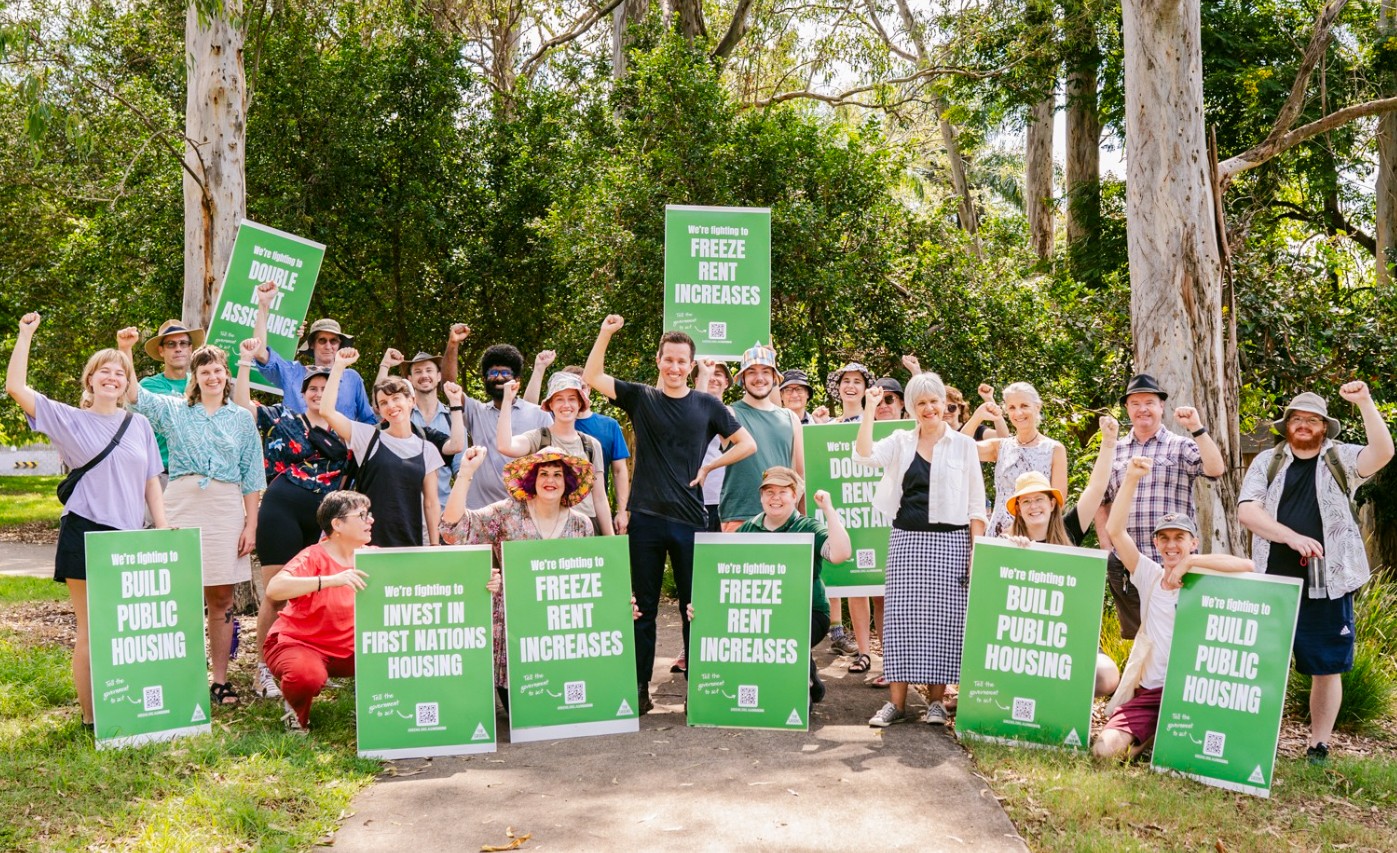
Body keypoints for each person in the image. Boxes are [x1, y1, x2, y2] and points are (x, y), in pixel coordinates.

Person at [583, 315, 754, 713]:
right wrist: (606, 332)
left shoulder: (708, 404)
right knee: (641, 605)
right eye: (669, 360)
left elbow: (747, 445)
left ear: (691, 365)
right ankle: (639, 686)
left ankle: (702, 686)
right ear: (658, 360)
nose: (675, 367)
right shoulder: (642, 397)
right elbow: (592, 375)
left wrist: (711, 466)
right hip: (645, 517)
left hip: (691, 519)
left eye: (682, 361)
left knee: (695, 606)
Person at [6, 312, 166, 730]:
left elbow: (151, 480)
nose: (112, 377)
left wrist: (162, 528)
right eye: (104, 371)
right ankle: (94, 719)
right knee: (92, 630)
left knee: (128, 631)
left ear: (127, 383)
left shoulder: (140, 424)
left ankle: (130, 709)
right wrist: (25, 335)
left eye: (120, 372)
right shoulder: (69, 418)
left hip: (130, 537)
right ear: (90, 379)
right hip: (86, 530)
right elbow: (16, 387)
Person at [1238, 384, 1394, 762]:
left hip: (1330, 583)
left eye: (1312, 420)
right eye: (1296, 418)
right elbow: (1248, 511)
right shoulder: (1267, 462)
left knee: (1326, 667)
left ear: (1324, 427)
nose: (1303, 425)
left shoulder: (1339, 459)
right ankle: (1256, 740)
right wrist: (1291, 538)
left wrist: (1364, 402)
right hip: (1273, 581)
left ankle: (1318, 746)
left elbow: (1384, 452)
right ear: (1286, 425)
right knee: (1260, 663)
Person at [130, 344, 266, 707]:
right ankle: (182, 677)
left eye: (218, 370)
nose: (212, 376)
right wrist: (124, 349)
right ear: (195, 376)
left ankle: (219, 681)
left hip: (225, 507)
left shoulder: (240, 419)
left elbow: (252, 477)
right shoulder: (175, 411)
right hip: (181, 503)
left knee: (221, 598)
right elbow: (134, 396)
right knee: (178, 596)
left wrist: (251, 525)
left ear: (226, 374)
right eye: (204, 371)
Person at [1095, 458, 1253, 761]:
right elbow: (1115, 530)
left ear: (1193, 542)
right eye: (1164, 538)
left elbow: (1247, 565)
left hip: (1190, 693)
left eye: (1179, 538)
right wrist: (1130, 479)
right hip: (1150, 693)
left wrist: (1191, 563)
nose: (1171, 545)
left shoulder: (1203, 581)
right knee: (1106, 751)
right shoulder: (1149, 575)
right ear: (1155, 542)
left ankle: (1162, 733)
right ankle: (1154, 732)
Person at [854, 375, 986, 727]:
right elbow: (864, 455)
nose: (929, 408)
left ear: (945, 404)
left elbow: (976, 506)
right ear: (911, 408)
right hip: (907, 539)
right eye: (921, 403)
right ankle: (896, 704)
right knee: (900, 620)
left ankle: (937, 702)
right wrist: (869, 408)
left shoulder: (963, 446)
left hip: (952, 542)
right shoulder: (900, 441)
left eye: (934, 401)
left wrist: (975, 552)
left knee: (943, 622)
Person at [234, 338, 352, 701]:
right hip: (282, 509)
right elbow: (242, 407)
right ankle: (265, 670)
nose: (317, 393)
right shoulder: (284, 417)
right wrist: (243, 362)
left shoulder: (345, 430)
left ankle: (312, 660)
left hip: (326, 521)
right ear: (301, 394)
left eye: (323, 388)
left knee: (317, 595)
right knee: (277, 593)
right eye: (311, 388)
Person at [440, 446, 596, 709]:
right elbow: (454, 530)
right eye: (543, 473)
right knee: (526, 710)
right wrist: (466, 473)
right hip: (514, 630)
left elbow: (590, 582)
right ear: (532, 480)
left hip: (561, 632)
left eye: (557, 474)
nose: (550, 480)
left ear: (567, 481)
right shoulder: (507, 513)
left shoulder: (581, 524)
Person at [1096, 373, 1227, 639]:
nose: (1142, 408)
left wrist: (1197, 428)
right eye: (1135, 403)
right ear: (1127, 408)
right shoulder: (1115, 450)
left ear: (1161, 406)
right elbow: (1101, 501)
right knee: (1139, 638)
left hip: (1175, 561)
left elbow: (1216, 469)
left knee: (1180, 635)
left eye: (1149, 402)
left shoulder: (1181, 446)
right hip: (1129, 563)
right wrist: (1107, 547)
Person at [1003, 414, 1122, 696]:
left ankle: (1063, 699)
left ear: (1052, 504)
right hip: (1023, 642)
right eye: (1026, 501)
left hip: (1063, 641)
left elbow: (1095, 489)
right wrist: (1011, 553)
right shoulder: (1007, 543)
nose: (1034, 506)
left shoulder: (1069, 530)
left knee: (1106, 675)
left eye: (1039, 499)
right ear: (1018, 508)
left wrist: (1108, 443)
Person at [734, 468, 851, 704]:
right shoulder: (747, 529)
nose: (775, 497)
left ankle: (800, 682)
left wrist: (828, 510)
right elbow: (723, 574)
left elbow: (840, 554)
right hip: (765, 614)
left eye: (782, 492)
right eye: (769, 492)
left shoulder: (808, 527)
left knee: (783, 634)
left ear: (795, 495)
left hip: (810, 613)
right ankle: (808, 676)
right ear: (761, 496)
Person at [321, 348, 457, 547]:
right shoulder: (367, 437)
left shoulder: (427, 449)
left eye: (396, 398)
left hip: (411, 543)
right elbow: (326, 411)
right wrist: (339, 366)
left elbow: (431, 504)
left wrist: (435, 546)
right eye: (383, 402)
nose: (391, 406)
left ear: (411, 401)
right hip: (367, 544)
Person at [263, 490, 372, 733]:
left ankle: (376, 711)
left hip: (351, 648)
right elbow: (274, 588)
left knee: (397, 654)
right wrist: (331, 580)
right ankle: (295, 715)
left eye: (369, 514)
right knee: (306, 676)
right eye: (362, 515)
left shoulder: (372, 555)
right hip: (301, 644)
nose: (370, 520)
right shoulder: (313, 555)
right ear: (337, 524)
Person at [441, 325, 554, 509]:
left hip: (526, 511)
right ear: (485, 379)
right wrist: (453, 344)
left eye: (505, 373)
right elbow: (449, 385)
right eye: (493, 373)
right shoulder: (476, 412)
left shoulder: (539, 414)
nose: (499, 377)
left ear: (516, 380)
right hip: (481, 511)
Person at [812, 362, 874, 670]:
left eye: (857, 381)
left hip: (868, 510)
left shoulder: (873, 422)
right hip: (838, 509)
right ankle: (837, 631)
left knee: (861, 585)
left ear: (865, 388)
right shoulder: (830, 423)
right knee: (840, 578)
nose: (851, 386)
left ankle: (866, 653)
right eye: (845, 381)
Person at [496, 373, 614, 534]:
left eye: (572, 398)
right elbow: (505, 446)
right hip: (547, 527)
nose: (566, 405)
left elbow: (599, 498)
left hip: (585, 527)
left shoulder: (591, 445)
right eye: (559, 399)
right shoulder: (539, 437)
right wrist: (507, 400)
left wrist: (611, 542)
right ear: (550, 404)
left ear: (580, 403)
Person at [522, 357, 632, 523]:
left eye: (581, 386)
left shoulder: (609, 425)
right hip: (550, 515)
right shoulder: (549, 422)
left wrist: (622, 511)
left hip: (592, 514)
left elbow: (619, 471)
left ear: (588, 389)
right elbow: (527, 410)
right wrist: (539, 368)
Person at [249, 281, 376, 423]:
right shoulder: (294, 373)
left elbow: (368, 420)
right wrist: (263, 304)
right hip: (298, 443)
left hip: (341, 445)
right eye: (322, 340)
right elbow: (259, 353)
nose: (328, 346)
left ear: (339, 345)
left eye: (333, 341)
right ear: (312, 345)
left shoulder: (352, 378)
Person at [719, 343, 804, 532]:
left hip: (784, 519)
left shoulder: (790, 418)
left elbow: (800, 475)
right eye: (751, 372)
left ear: (774, 377)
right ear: (742, 378)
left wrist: (803, 522)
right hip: (740, 517)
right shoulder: (729, 414)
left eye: (766, 371)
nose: (759, 378)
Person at [979, 382, 1068, 538]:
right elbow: (959, 449)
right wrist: (979, 414)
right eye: (1012, 408)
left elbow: (1059, 503)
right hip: (999, 534)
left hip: (1036, 536)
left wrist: (1022, 530)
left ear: (1037, 407)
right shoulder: (1001, 446)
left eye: (1024, 405)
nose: (1018, 413)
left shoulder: (1054, 449)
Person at [378, 349, 461, 508]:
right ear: (409, 378)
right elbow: (379, 398)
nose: (424, 375)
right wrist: (385, 365)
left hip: (442, 510)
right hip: (403, 512)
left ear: (438, 376)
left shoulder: (453, 419)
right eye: (418, 371)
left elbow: (460, 470)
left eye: (429, 370)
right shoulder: (398, 415)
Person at [126, 319, 205, 474]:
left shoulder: (203, 382)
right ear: (161, 350)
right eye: (171, 344)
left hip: (199, 472)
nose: (178, 349)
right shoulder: (150, 385)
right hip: (162, 471)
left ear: (190, 348)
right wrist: (126, 348)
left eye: (183, 343)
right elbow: (132, 395)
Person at [696, 360, 733, 533]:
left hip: (728, 501)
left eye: (717, 373)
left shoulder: (735, 414)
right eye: (706, 373)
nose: (712, 377)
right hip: (694, 498)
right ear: (697, 379)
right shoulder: (683, 413)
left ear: (726, 382)